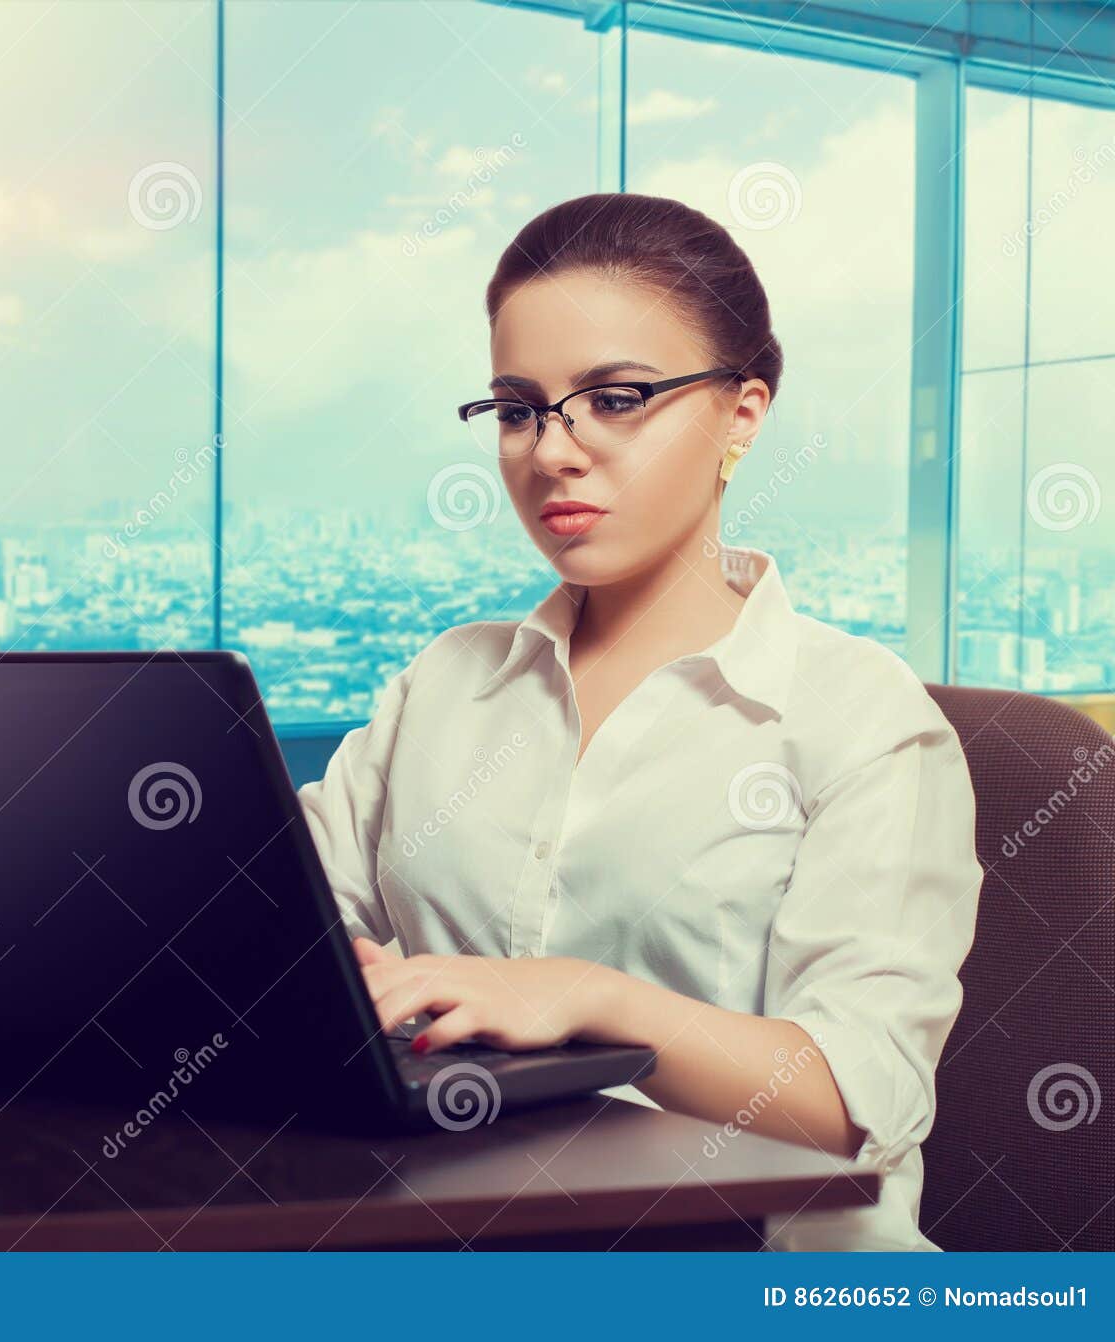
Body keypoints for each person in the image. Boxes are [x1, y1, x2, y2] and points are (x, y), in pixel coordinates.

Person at [297, 192, 983, 1252]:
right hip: (467, 1246)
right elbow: (265, 909)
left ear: (743, 414)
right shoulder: (446, 682)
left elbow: (857, 1102)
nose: (553, 452)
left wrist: (581, 997)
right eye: (520, 409)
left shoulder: (858, 717)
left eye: (615, 398)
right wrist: (325, 972)